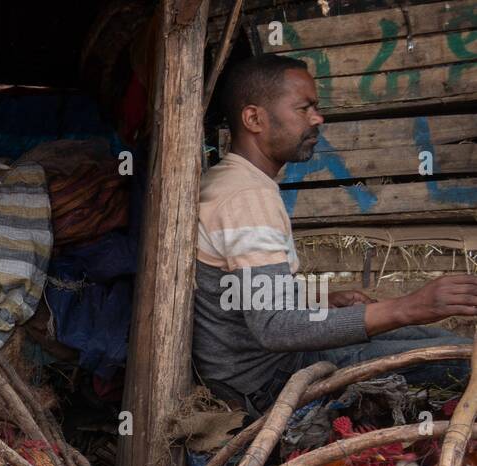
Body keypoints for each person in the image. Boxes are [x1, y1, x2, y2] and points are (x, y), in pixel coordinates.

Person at [195, 54, 477, 414]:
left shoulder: (234, 181)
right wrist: (410, 307)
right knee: (458, 360)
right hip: (268, 381)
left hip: (263, 365)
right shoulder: (246, 196)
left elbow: (242, 295)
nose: (318, 119)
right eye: (304, 108)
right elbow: (275, 327)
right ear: (254, 118)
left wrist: (321, 301)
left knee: (440, 341)